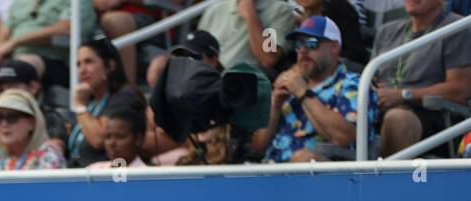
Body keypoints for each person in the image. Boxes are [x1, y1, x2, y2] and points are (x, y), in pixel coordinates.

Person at [252, 16, 373, 162]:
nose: (303, 50)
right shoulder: (290, 84)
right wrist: (275, 105)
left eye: (311, 43)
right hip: (270, 175)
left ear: (334, 47)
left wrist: (304, 94)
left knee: (303, 158)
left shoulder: (355, 84)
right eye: (299, 44)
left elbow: (343, 137)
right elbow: (258, 146)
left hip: (323, 177)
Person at [371, 0, 471, 157]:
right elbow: (372, 80)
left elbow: (460, 90)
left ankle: (389, 181)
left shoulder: (457, 27)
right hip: (381, 111)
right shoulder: (386, 32)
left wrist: (402, 95)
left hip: (435, 118)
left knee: (398, 119)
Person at [66, 36, 143, 166]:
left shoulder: (125, 96)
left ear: (110, 66)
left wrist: (80, 107)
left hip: (109, 177)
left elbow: (99, 139)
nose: (82, 70)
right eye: (78, 64)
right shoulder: (89, 101)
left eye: (89, 62)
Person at [0, 0, 97, 88]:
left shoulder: (77, 1)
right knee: (9, 72)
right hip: (15, 63)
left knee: (21, 68)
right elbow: (2, 39)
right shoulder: (19, 2)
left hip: (58, 63)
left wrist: (15, 42)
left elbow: (65, 29)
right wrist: (1, 52)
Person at [195, 0, 297, 74]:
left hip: (247, 90)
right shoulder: (214, 10)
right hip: (208, 84)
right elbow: (195, 55)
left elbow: (268, 58)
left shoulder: (280, 10)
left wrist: (250, 14)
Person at [87, 101, 147, 168]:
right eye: (108, 137)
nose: (111, 143)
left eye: (120, 137)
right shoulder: (93, 170)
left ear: (138, 139)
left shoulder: (148, 175)